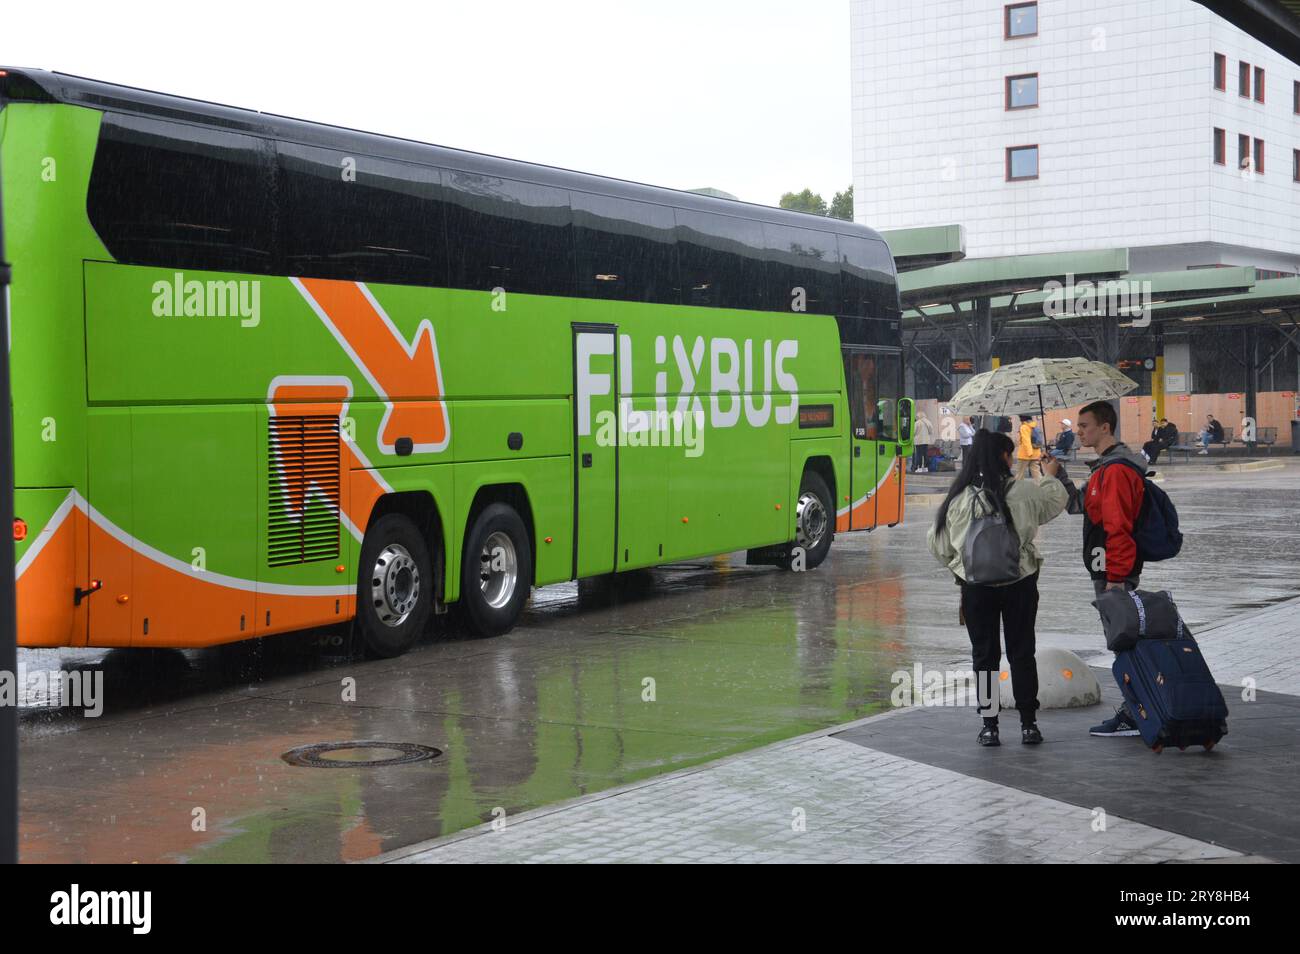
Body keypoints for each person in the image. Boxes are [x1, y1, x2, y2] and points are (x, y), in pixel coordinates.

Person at [927, 430, 1070, 747]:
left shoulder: (959, 499)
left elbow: (938, 546)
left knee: (984, 656)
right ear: (1005, 458)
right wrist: (1049, 475)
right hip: (1020, 584)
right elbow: (1055, 503)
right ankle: (1028, 725)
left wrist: (962, 568)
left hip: (976, 588)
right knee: (1022, 652)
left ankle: (989, 726)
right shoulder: (1024, 492)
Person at [1066, 401, 1149, 738]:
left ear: (1105, 427)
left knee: (1122, 642)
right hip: (1107, 569)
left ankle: (1135, 711)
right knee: (1121, 641)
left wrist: (1116, 580)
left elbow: (1118, 528)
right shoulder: (1104, 467)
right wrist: (1057, 476)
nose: (1079, 432)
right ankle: (1138, 707)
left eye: (1084, 426)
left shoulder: (1115, 470)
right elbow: (1078, 506)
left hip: (1113, 572)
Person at [1014, 414, 1043, 478]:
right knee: (1037, 474)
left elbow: (1026, 441)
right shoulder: (1035, 426)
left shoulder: (1024, 427)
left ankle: (1018, 487)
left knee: (1019, 474)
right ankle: (1042, 487)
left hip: (1025, 455)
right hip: (1036, 454)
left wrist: (1029, 453)